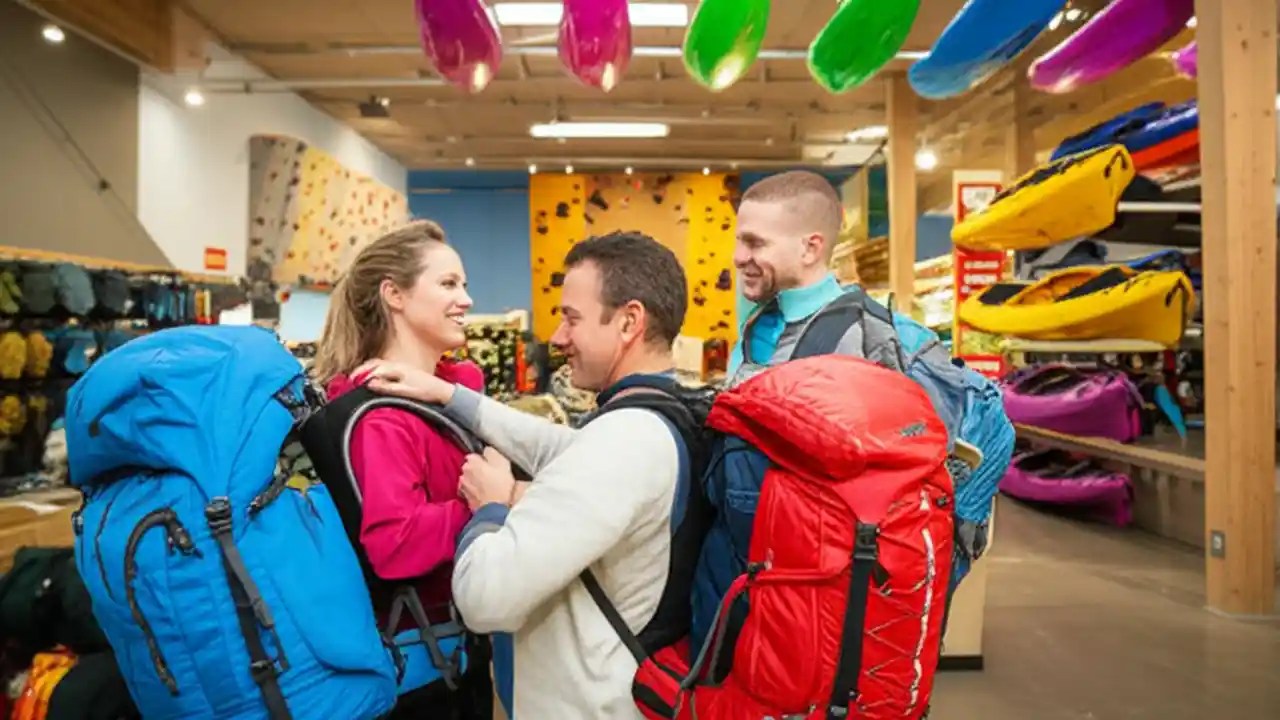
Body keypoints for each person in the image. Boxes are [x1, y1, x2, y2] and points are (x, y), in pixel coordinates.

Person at [360, 231, 693, 720]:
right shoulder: (663, 413)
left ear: (629, 322)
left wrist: (491, 508)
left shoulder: (625, 441)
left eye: (571, 318)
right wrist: (452, 396)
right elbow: (565, 450)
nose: (557, 338)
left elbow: (485, 599)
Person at [310, 220, 492, 718]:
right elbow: (395, 545)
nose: (467, 300)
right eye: (449, 284)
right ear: (394, 294)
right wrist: (485, 503)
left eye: (464, 284)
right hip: (424, 664)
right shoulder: (384, 418)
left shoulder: (448, 396)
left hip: (454, 648)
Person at [729, 169, 853, 375]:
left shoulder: (866, 338)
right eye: (740, 241)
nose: (738, 258)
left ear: (810, 249)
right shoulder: (755, 319)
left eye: (755, 243)